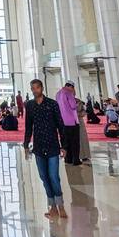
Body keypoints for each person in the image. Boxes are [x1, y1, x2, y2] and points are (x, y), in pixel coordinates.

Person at [23, 78, 67, 219]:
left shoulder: (52, 104)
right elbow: (28, 126)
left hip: (53, 145)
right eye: (33, 88)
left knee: (54, 176)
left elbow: (60, 125)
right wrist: (25, 145)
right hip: (39, 147)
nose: (35, 90)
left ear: (42, 88)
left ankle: (61, 205)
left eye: (37, 88)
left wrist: (64, 146)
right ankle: (52, 206)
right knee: (44, 177)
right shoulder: (29, 105)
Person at [56, 81, 82, 165]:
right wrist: (76, 101)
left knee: (66, 142)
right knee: (74, 142)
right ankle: (76, 160)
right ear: (71, 87)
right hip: (72, 122)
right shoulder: (69, 93)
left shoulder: (58, 93)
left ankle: (68, 159)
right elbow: (73, 106)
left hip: (62, 121)